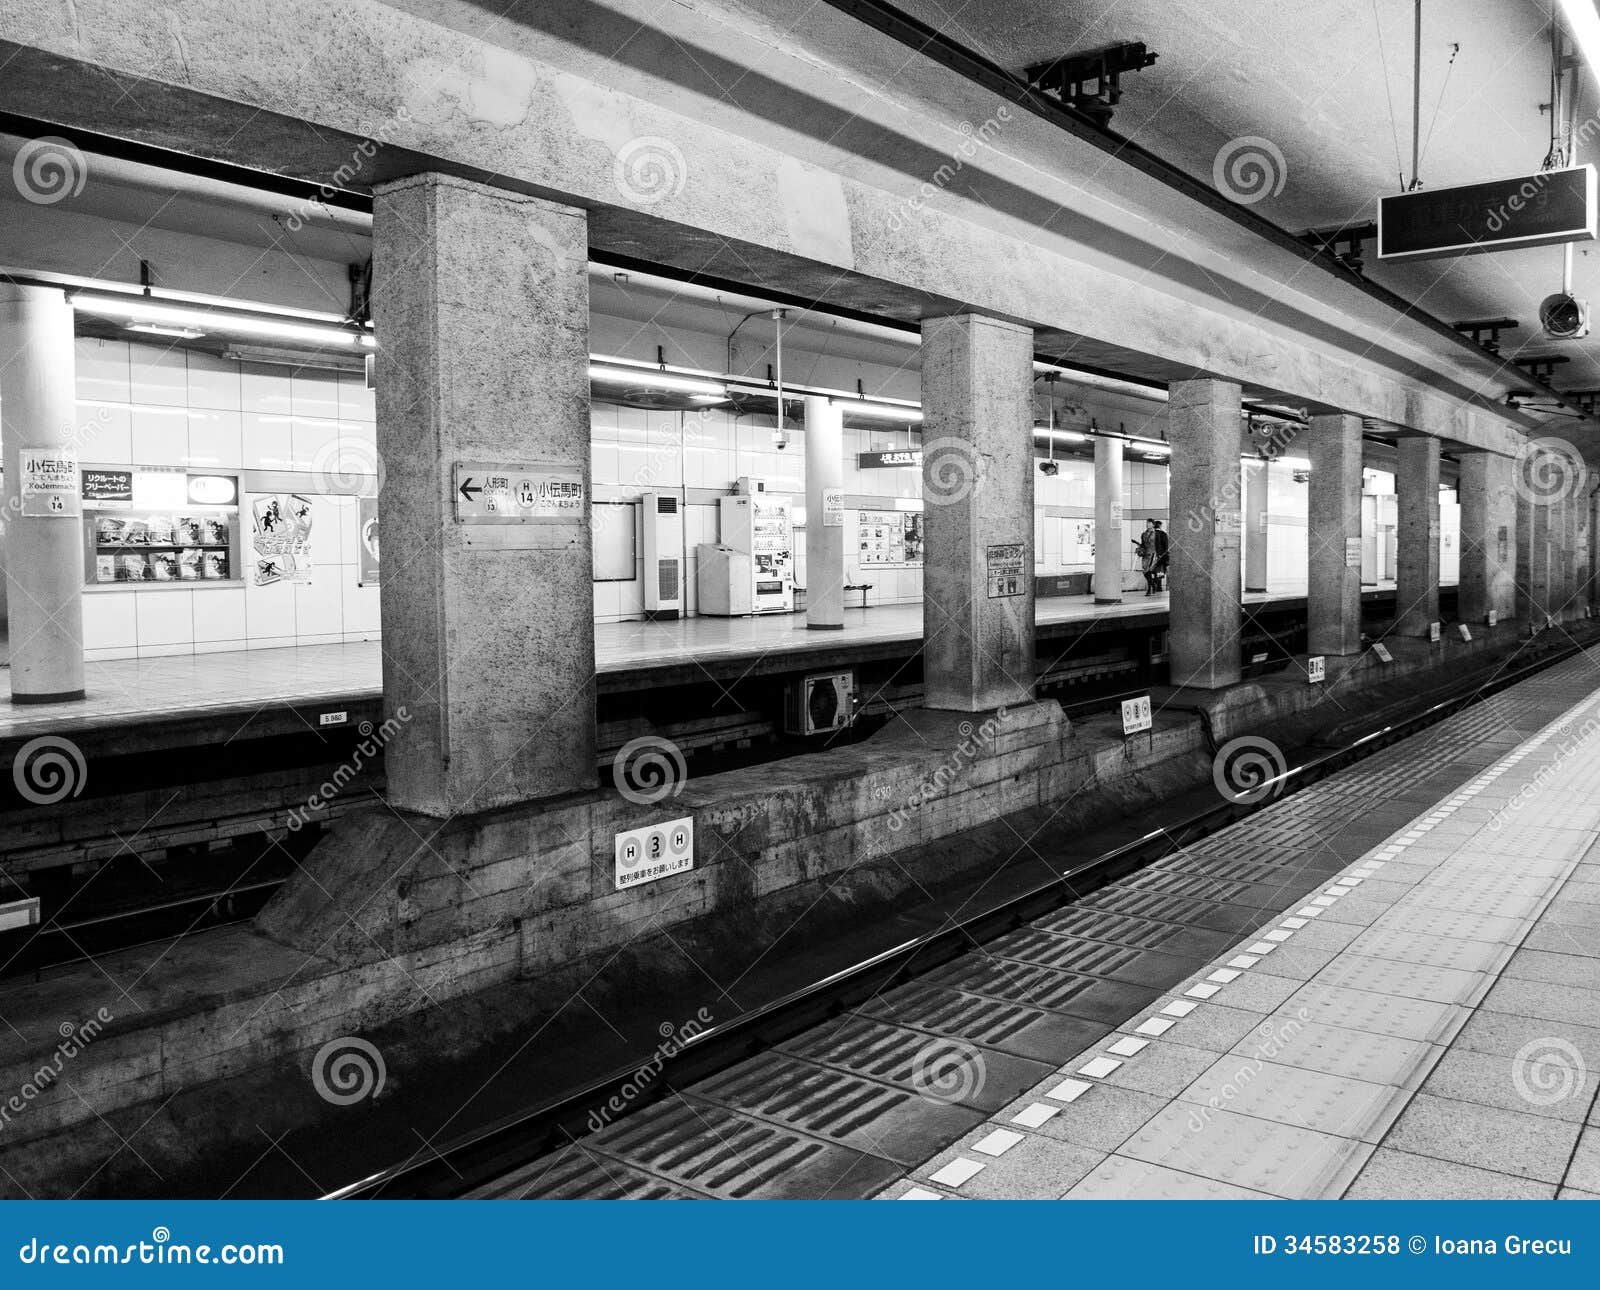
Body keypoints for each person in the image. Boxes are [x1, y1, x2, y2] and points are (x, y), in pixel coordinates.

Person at [1133, 519, 1159, 595]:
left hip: (1153, 553)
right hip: (1145, 554)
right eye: (1147, 523)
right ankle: (1153, 585)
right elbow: (1143, 544)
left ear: (1153, 525)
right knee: (1145, 571)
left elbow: (1159, 544)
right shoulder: (1143, 534)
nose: (1148, 525)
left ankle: (1149, 589)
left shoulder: (1156, 534)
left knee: (1148, 570)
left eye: (1150, 523)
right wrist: (1138, 546)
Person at [1151, 519, 1170, 592]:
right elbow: (1166, 546)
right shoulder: (1163, 534)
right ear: (1160, 526)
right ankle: (1158, 586)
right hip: (1161, 556)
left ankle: (1153, 584)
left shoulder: (1151, 534)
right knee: (1160, 571)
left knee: (1152, 570)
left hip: (1152, 556)